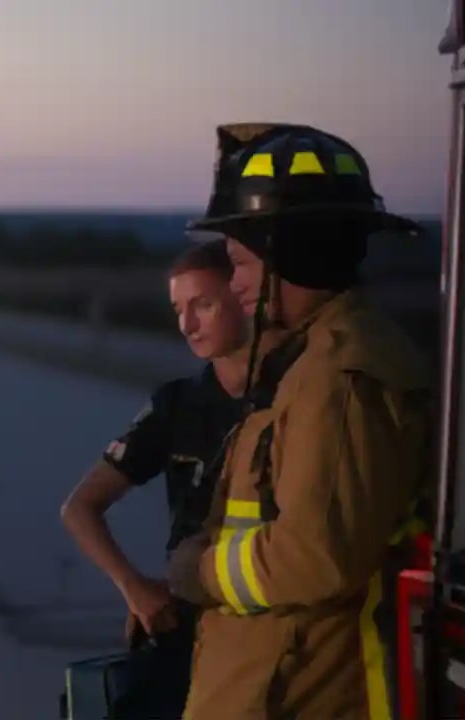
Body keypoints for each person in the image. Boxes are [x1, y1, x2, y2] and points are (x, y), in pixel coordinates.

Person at [166, 123, 433, 719]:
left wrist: (199, 571)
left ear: (291, 257)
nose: (233, 285)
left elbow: (315, 558)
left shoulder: (340, 377)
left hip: (298, 696)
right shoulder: (310, 361)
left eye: (238, 262)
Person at [60, 239, 251, 718]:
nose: (187, 324)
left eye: (203, 305)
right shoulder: (178, 404)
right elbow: (80, 508)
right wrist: (134, 586)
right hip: (182, 626)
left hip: (258, 632)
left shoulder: (294, 401)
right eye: (178, 309)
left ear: (247, 296)